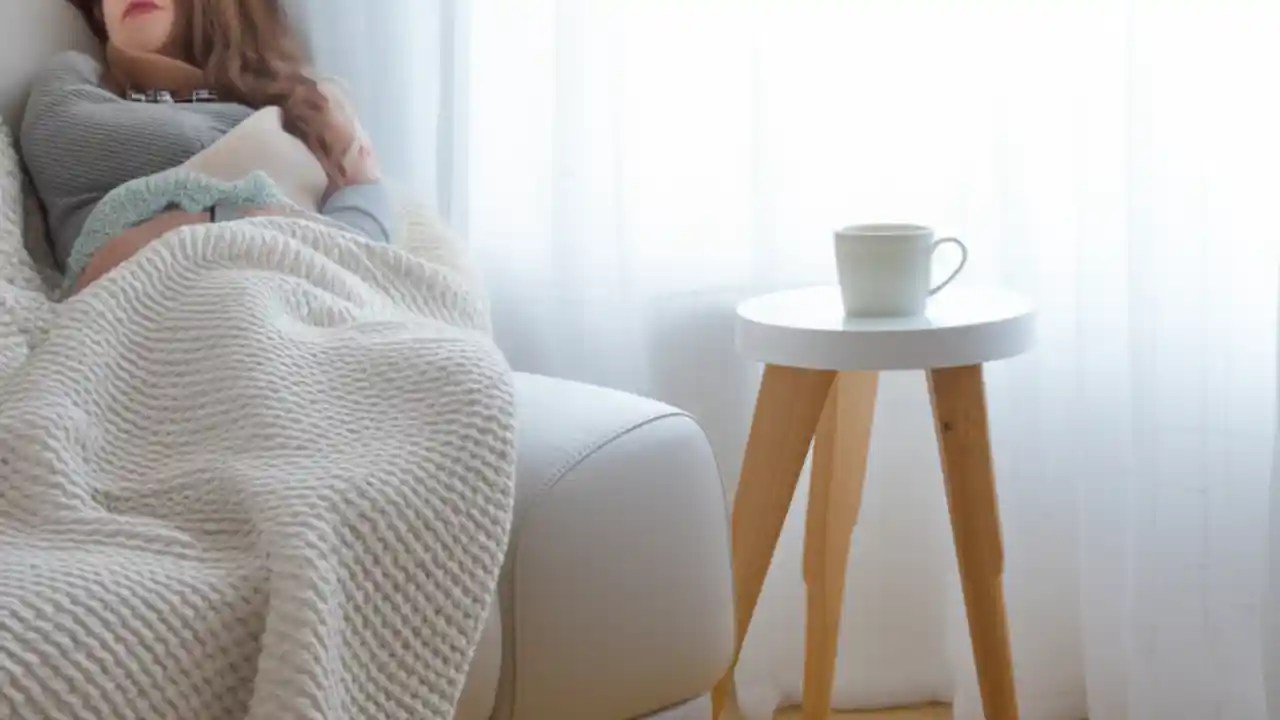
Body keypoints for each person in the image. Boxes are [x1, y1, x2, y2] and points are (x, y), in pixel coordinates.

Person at [23, 0, 392, 293]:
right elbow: (67, 142)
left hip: (313, 306)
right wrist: (239, 220)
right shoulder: (75, 87)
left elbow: (362, 261)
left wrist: (360, 190)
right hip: (172, 318)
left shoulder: (307, 111)